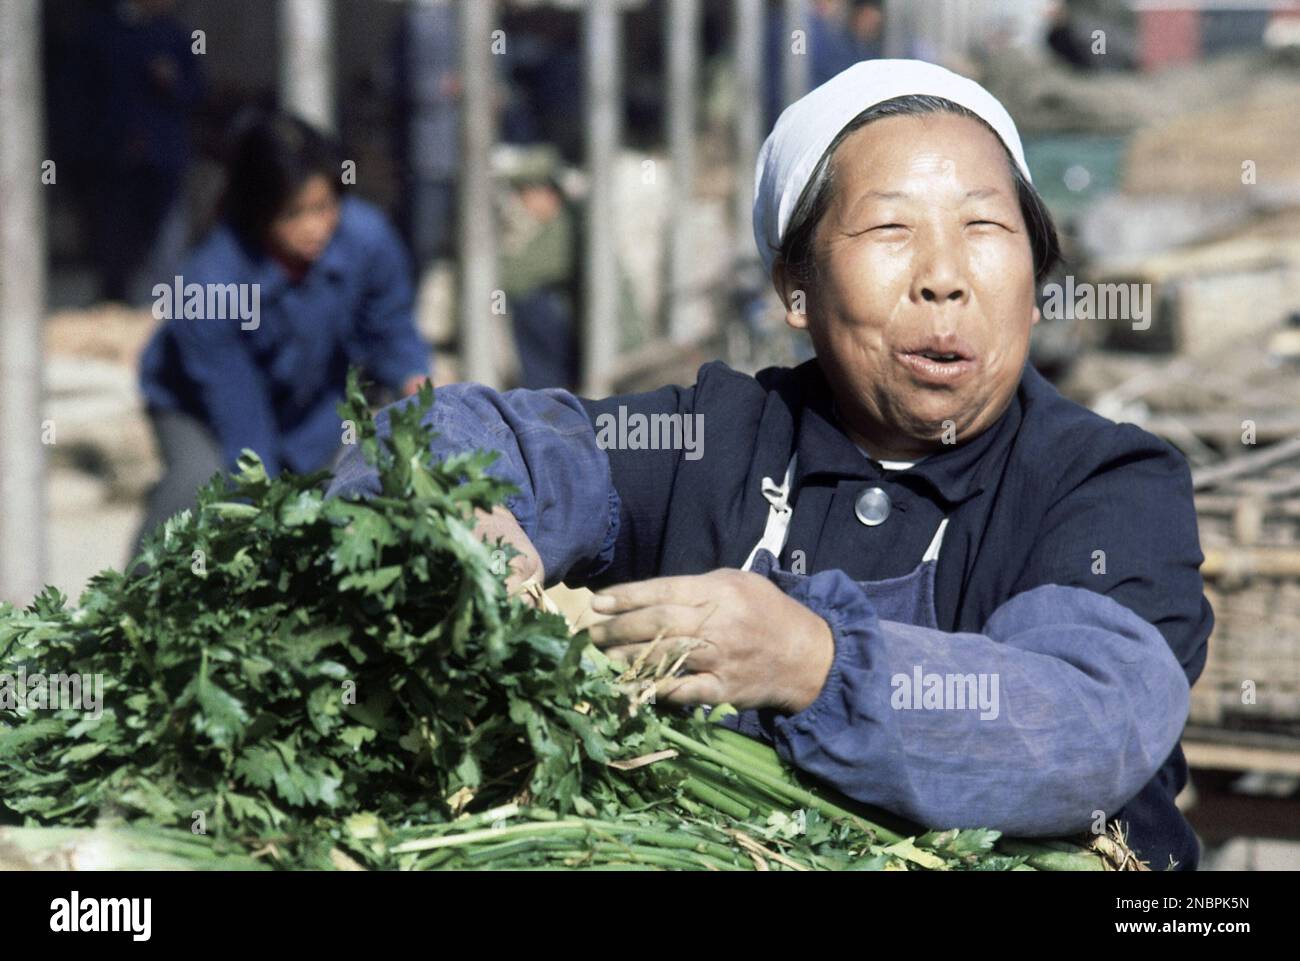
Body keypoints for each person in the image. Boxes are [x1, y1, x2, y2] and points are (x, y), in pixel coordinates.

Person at [327, 61, 1212, 870]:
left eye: (985, 225)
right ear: (796, 288)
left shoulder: (1106, 482)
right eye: (890, 227)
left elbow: (1089, 724)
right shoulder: (718, 437)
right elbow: (453, 433)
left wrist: (814, 662)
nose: (944, 276)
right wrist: (459, 511)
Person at [135, 112, 431, 556]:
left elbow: (390, 327)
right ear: (257, 211)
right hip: (197, 410)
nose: (315, 228)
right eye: (294, 213)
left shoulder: (367, 240)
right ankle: (132, 602)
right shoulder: (209, 285)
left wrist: (413, 378)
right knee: (203, 490)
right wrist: (267, 515)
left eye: (325, 207)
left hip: (311, 405)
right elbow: (242, 424)